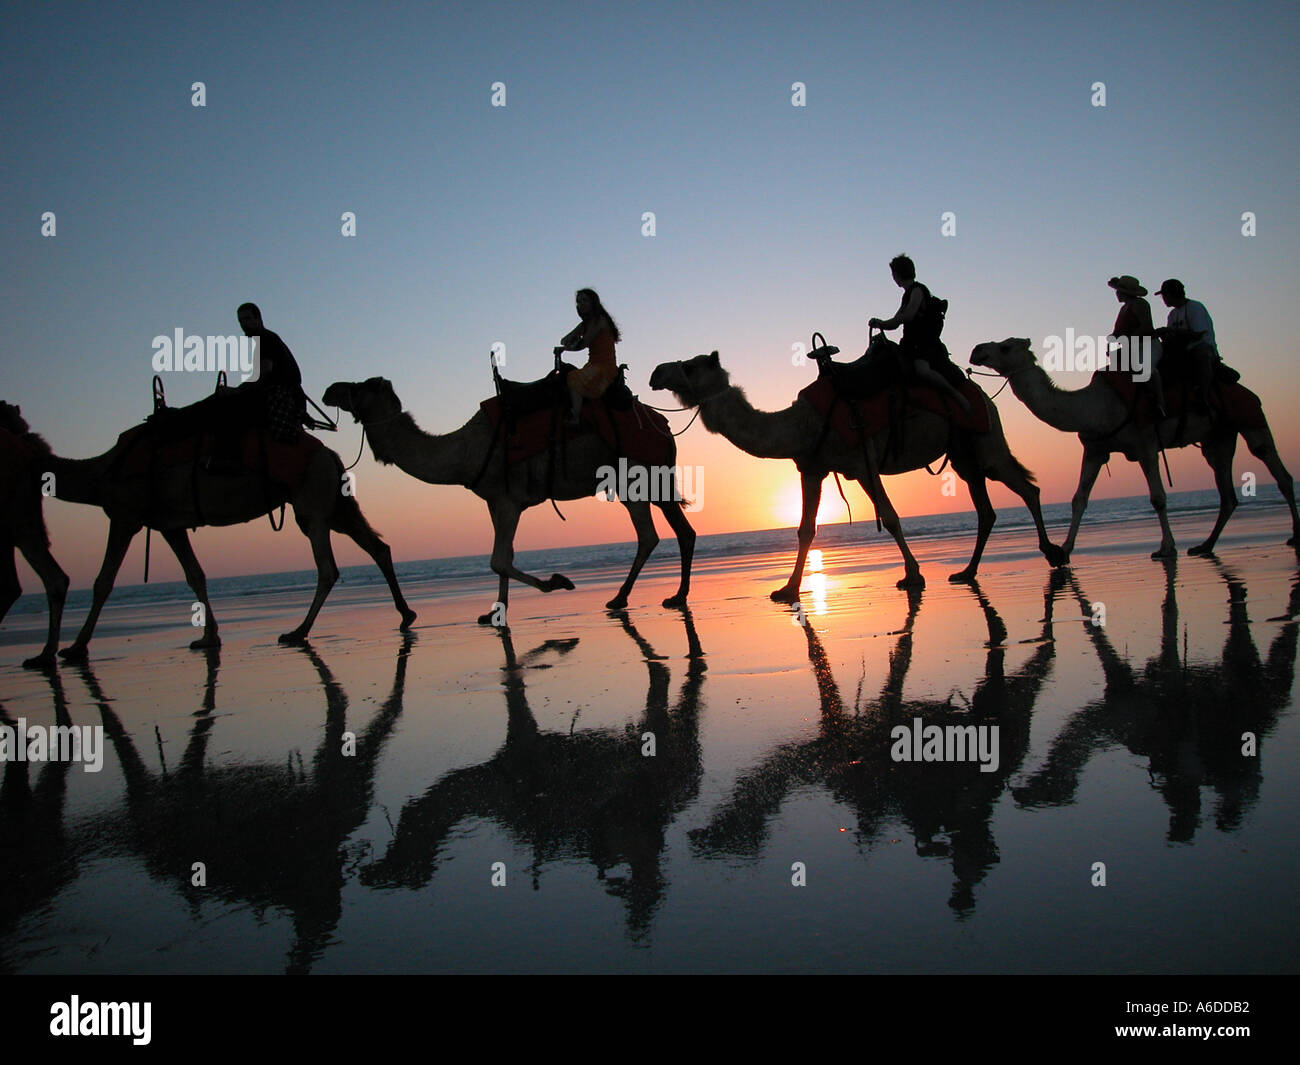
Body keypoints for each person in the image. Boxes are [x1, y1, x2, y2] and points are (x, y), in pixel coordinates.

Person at [868, 254, 971, 414]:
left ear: (897, 274)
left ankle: (957, 396)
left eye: (893, 274)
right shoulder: (907, 295)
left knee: (922, 371)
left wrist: (887, 322)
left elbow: (907, 316)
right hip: (910, 344)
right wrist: (880, 323)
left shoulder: (917, 290)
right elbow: (896, 322)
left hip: (923, 344)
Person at [236, 302, 307, 439]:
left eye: (247, 319)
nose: (243, 324)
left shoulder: (265, 339)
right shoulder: (267, 339)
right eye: (241, 321)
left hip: (281, 399)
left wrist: (238, 390)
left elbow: (262, 375)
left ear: (258, 319)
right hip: (292, 398)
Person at [554, 288, 620, 425]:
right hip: (592, 365)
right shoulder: (585, 325)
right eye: (578, 302)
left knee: (573, 377)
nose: (581, 304)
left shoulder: (600, 321)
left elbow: (583, 344)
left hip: (604, 367)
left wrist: (566, 348)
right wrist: (570, 340)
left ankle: (575, 417)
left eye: (585, 300)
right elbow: (564, 340)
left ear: (593, 302)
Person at [1153, 279, 1218, 413]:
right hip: (1181, 350)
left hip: (1199, 347)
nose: (1163, 299)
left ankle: (1203, 397)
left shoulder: (1195, 307)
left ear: (1172, 294)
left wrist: (1170, 331)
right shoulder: (1173, 314)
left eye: (1164, 295)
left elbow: (1198, 334)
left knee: (1201, 354)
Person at [1107, 274, 1165, 416]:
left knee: (1147, 369)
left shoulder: (1140, 304)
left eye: (1118, 291)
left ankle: (1160, 405)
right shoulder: (1124, 309)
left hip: (1148, 344)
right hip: (1131, 347)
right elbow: (1117, 332)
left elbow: (1147, 327)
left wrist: (1127, 339)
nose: (1117, 294)